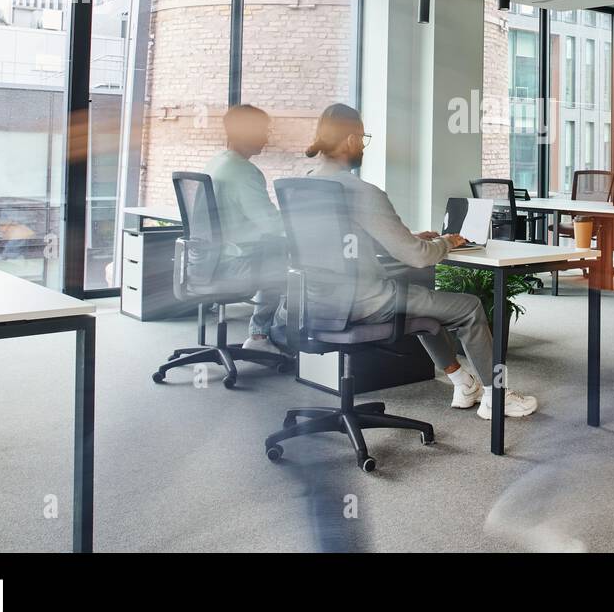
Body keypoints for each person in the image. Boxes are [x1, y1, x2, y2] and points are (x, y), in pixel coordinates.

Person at [301, 103, 537, 419]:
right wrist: (446, 241)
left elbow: (348, 240)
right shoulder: (361, 191)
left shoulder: (307, 184)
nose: (363, 146)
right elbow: (417, 257)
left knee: (427, 306)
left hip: (319, 300)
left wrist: (411, 236)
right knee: (469, 307)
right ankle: (496, 396)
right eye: (363, 138)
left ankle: (462, 383)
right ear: (350, 141)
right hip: (366, 302)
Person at [203, 104, 288, 357]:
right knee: (293, 261)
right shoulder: (244, 171)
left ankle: (266, 333)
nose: (266, 138)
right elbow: (272, 224)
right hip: (235, 264)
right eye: (262, 131)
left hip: (211, 260)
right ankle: (262, 335)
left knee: (277, 251)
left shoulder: (217, 162)